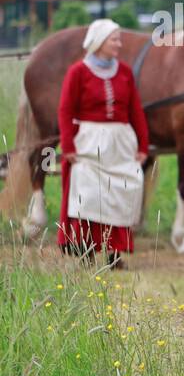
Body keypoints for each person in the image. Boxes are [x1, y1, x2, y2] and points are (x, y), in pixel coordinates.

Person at [57, 19, 149, 269]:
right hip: (89, 141)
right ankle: (86, 251)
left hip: (120, 142)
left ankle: (114, 253)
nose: (119, 44)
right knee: (88, 197)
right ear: (99, 42)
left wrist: (143, 145)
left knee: (119, 194)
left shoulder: (125, 72)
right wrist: (68, 147)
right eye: (114, 39)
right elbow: (65, 110)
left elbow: (135, 110)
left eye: (119, 39)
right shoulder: (78, 72)